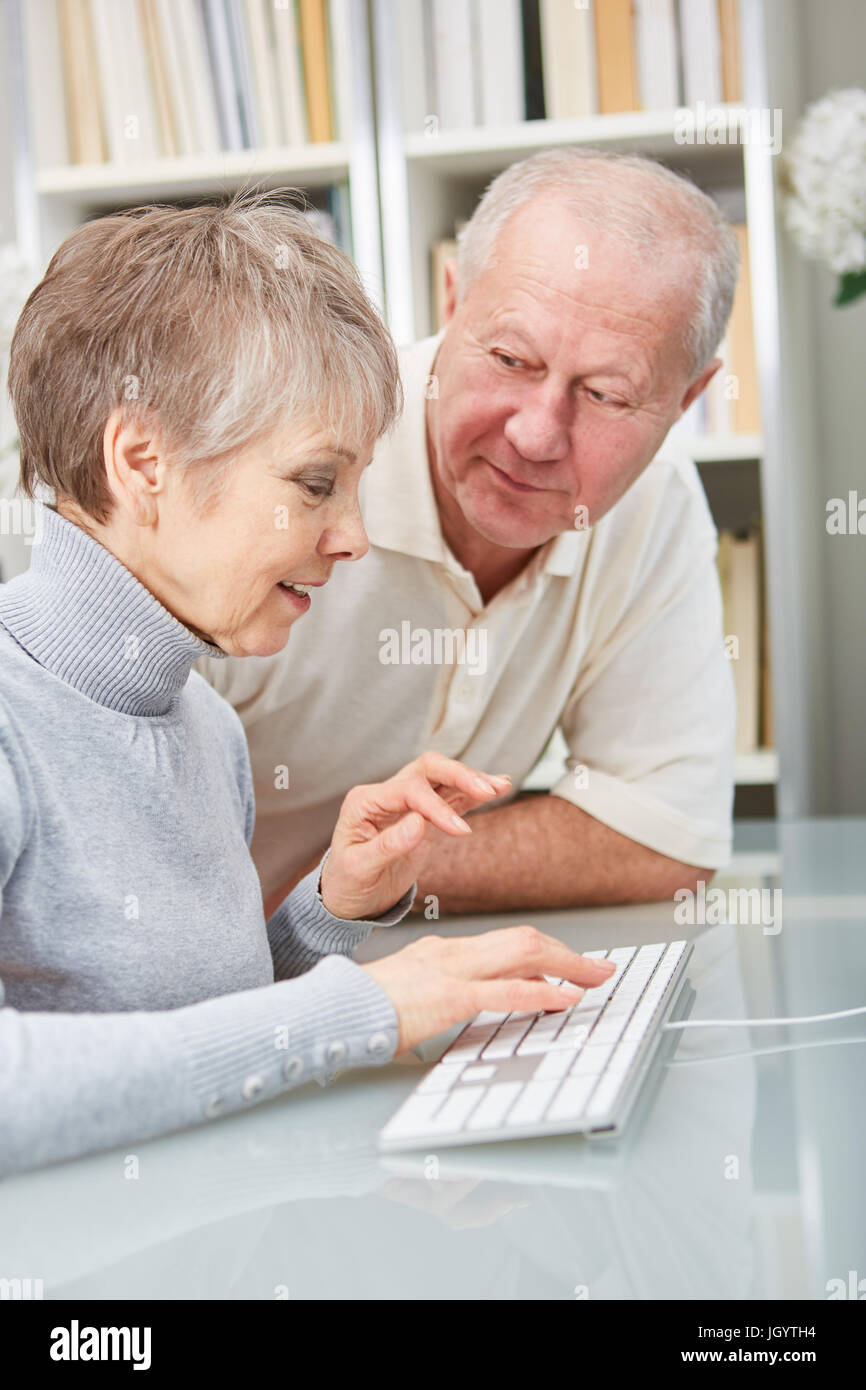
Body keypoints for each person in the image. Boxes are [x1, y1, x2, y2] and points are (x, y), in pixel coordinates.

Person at [0, 191, 616, 1179]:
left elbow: (200, 1024)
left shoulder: (201, 718)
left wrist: (330, 908)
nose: (354, 538)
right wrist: (361, 1009)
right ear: (141, 460)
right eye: (315, 484)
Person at [196, 148, 739, 921]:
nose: (538, 434)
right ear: (450, 298)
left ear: (689, 399)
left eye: (607, 394)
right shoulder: (273, 463)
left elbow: (667, 835)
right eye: (511, 358)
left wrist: (368, 879)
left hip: (377, 977)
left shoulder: (654, 506)